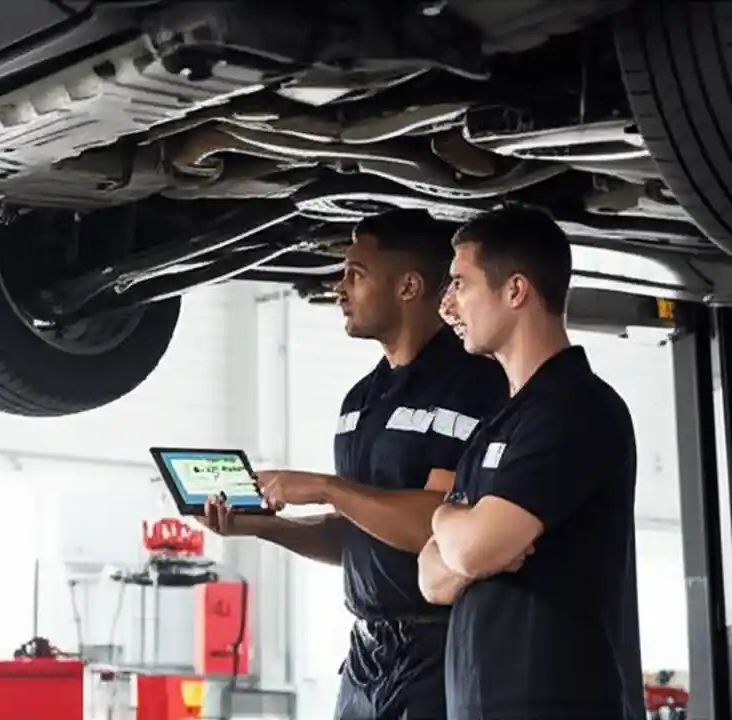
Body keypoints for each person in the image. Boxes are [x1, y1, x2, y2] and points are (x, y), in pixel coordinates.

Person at [201, 209, 509, 720]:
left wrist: (325, 486)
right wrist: (263, 528)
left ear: (409, 286)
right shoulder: (359, 403)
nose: (339, 288)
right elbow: (357, 536)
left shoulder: (472, 385)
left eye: (355, 274)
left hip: (441, 651)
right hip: (367, 656)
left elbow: (438, 527)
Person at [419, 204, 645, 719]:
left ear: (516, 290)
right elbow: (430, 578)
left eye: (459, 284)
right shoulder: (498, 425)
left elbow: (474, 553)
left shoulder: (576, 408)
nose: (447, 306)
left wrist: (457, 529)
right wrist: (454, 525)